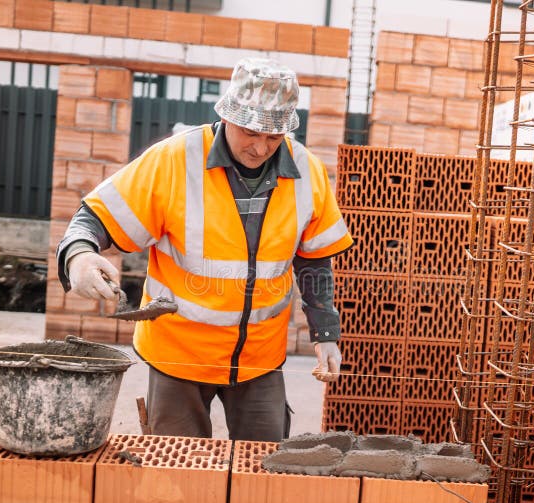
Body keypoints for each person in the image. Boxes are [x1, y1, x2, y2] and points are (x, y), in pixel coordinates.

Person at [56, 57, 353, 442]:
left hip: (259, 359)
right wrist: (79, 255)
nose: (261, 147)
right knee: (177, 474)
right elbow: (94, 218)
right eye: (251, 132)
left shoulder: (306, 170)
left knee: (261, 471)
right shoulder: (174, 160)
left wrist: (325, 331)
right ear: (228, 116)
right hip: (178, 354)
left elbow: (314, 259)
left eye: (274, 137)